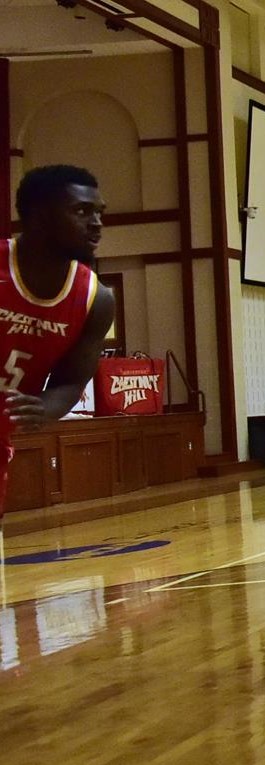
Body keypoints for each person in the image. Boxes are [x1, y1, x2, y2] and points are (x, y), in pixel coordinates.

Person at [0, 165, 116, 517]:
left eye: (99, 212)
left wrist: (44, 408)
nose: (96, 223)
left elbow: (70, 382)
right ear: (38, 215)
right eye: (82, 211)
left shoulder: (96, 299)